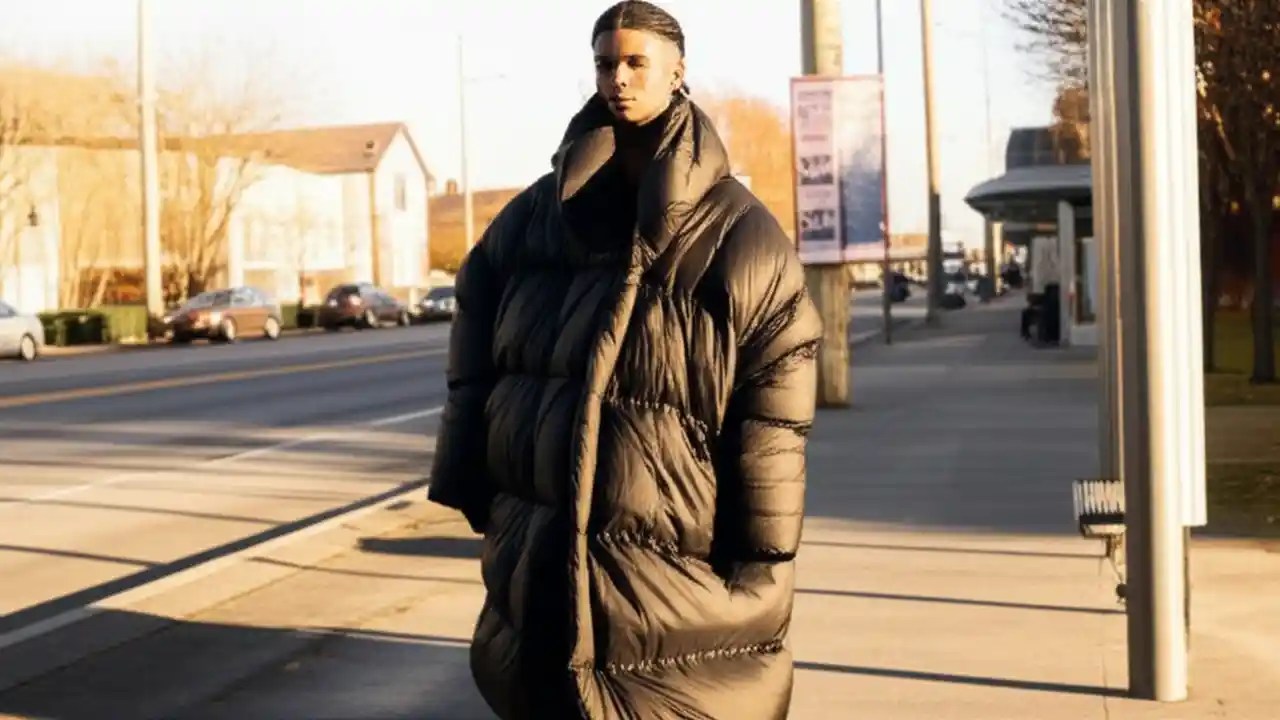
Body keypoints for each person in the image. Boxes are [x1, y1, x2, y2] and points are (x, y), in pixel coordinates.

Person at [426, 2, 821, 718]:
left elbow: (777, 398)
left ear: (678, 72)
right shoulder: (540, 213)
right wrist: (474, 481)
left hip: (672, 554)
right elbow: (475, 323)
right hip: (542, 552)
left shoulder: (736, 230)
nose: (619, 78)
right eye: (606, 62)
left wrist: (761, 555)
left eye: (637, 62)